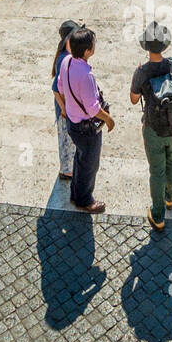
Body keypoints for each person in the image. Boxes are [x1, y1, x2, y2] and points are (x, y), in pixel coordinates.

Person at [130, 22, 172, 232]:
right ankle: (170, 199)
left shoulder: (142, 72)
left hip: (153, 129)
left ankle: (158, 214)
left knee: (157, 171)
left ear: (146, 47)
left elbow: (134, 100)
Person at [55, 27, 113, 214]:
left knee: (80, 160)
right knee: (89, 165)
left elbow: (61, 88)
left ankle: (76, 194)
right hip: (85, 128)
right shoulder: (86, 75)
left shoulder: (65, 62)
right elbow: (93, 109)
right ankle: (85, 201)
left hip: (72, 123)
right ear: (87, 51)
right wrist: (109, 120)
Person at [51, 20, 78, 182]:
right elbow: (55, 88)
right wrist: (63, 108)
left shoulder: (68, 55)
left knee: (69, 139)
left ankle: (69, 167)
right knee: (65, 138)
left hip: (69, 106)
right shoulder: (64, 59)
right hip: (64, 107)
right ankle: (67, 171)